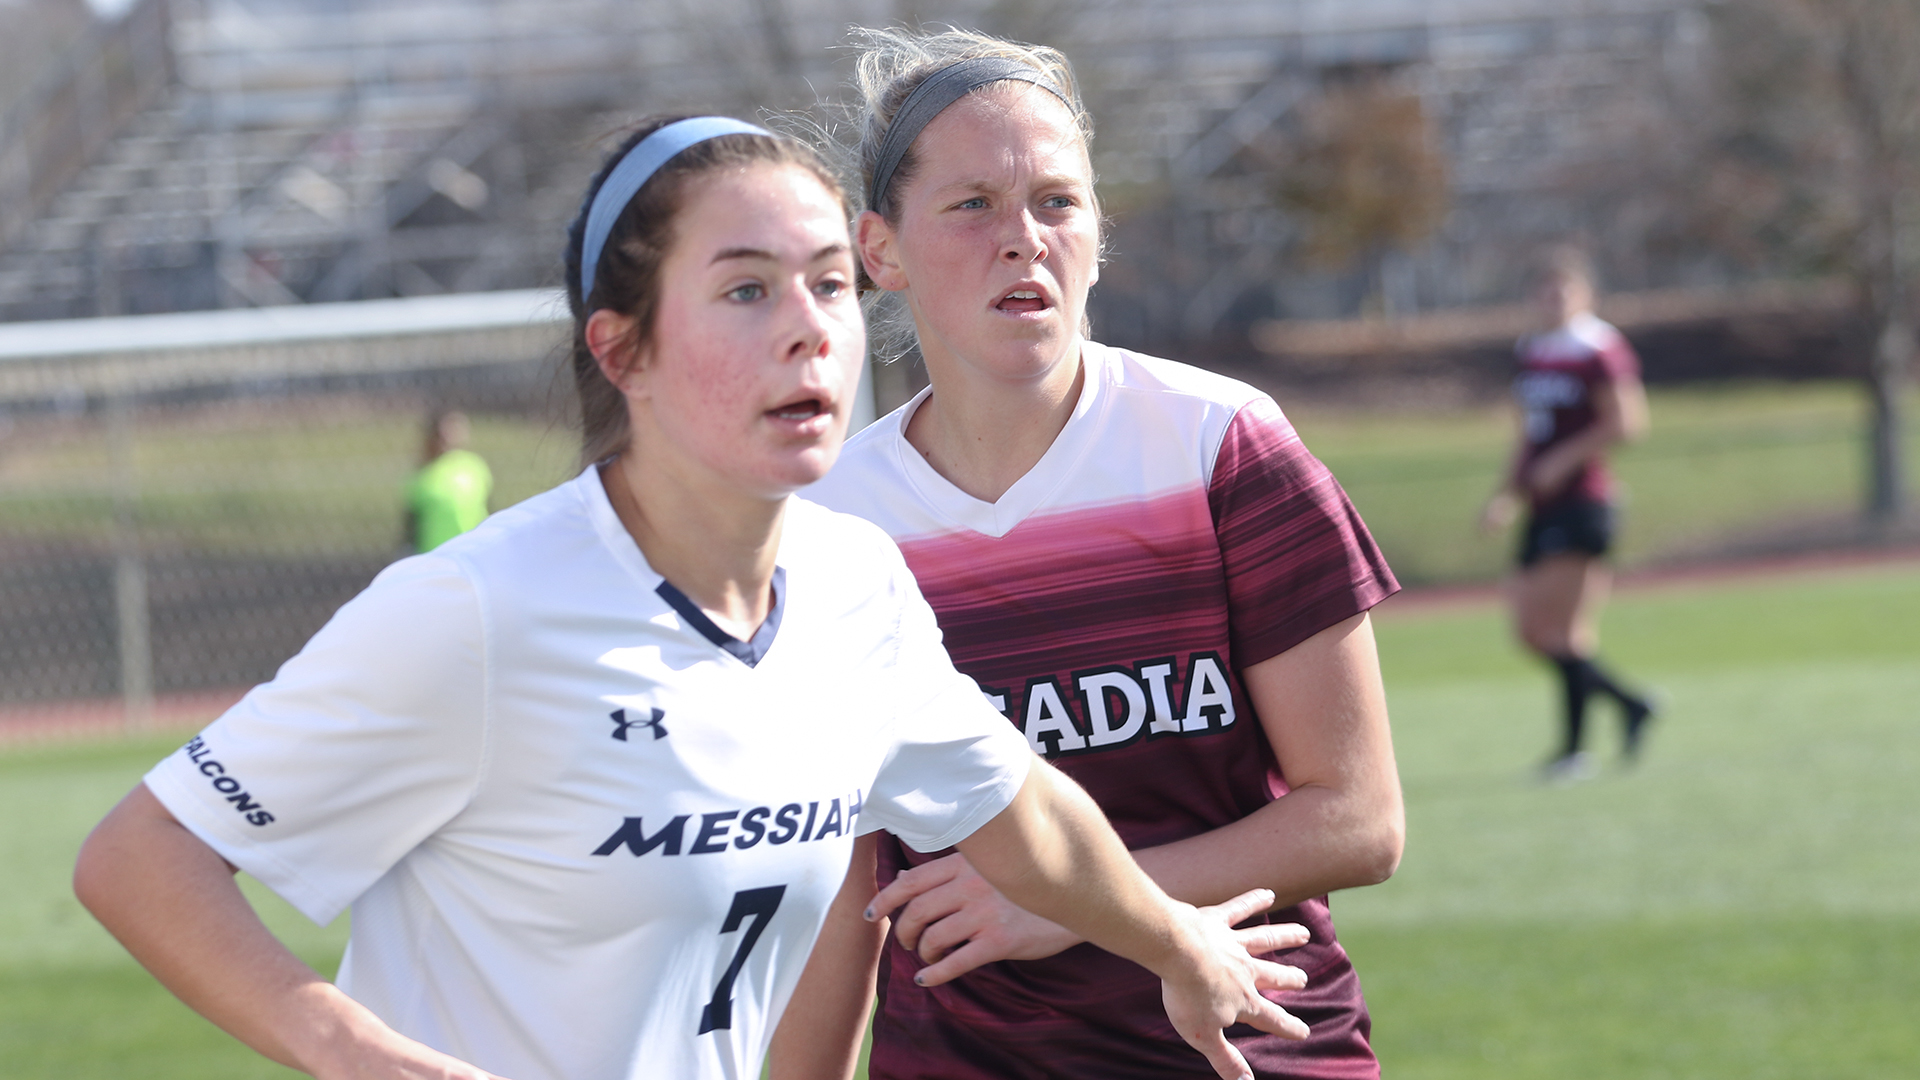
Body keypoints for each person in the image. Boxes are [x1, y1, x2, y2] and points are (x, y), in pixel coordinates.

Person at [72, 117, 1314, 1080]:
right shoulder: (480, 611)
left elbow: (1020, 811)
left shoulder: (852, 581)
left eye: (831, 284)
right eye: (744, 289)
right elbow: (143, 857)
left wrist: (1175, 941)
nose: (809, 330)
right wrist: (363, 1053)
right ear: (624, 351)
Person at [802, 29, 1407, 1080]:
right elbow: (842, 893)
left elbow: (1357, 819)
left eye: (1057, 201)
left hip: (1252, 1050)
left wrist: (1062, 897)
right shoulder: (830, 525)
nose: (1022, 237)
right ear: (881, 250)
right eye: (972, 204)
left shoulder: (1222, 445)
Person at [1481, 244, 1656, 782]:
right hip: (1541, 505)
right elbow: (1529, 434)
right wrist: (1507, 493)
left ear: (1586, 295)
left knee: (1562, 632)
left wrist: (1564, 459)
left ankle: (1574, 753)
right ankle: (1630, 704)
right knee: (1534, 632)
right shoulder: (1532, 349)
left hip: (1584, 502)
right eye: (1546, 288)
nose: (1555, 298)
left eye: (1565, 288)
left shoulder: (1598, 347)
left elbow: (1628, 421)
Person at [404, 408, 493, 553]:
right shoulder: (423, 476)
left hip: (472, 552)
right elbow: (411, 527)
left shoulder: (476, 467)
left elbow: (489, 510)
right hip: (434, 555)